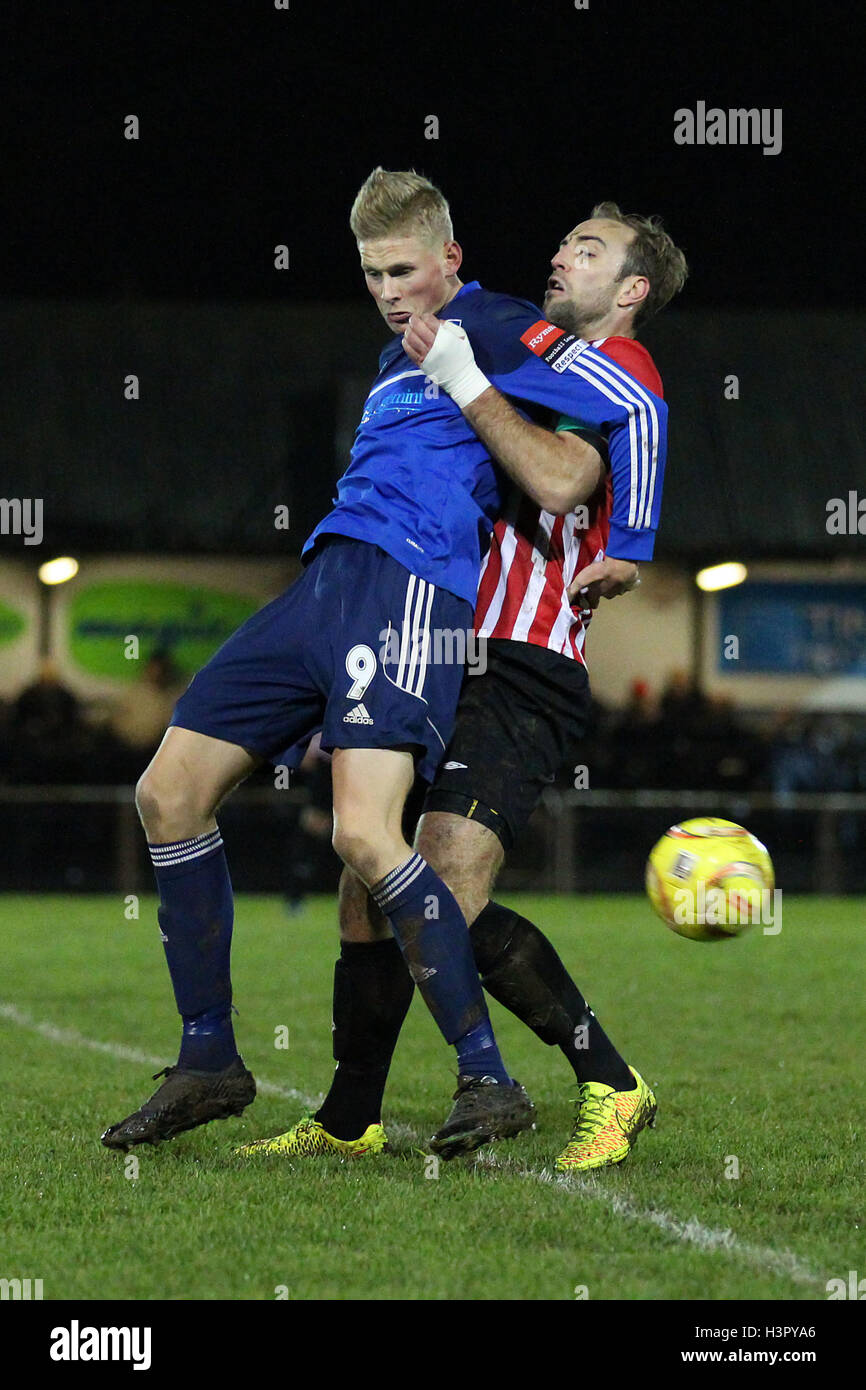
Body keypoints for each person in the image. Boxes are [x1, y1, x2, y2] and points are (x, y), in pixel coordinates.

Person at [101, 171, 649, 1157]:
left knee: (371, 839)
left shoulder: (495, 325)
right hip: (323, 577)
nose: (389, 290)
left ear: (451, 259)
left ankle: (498, 1076)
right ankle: (211, 1059)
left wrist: (636, 536)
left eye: (404, 268)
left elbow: (598, 442)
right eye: (370, 273)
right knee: (168, 790)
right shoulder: (396, 355)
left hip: (412, 590)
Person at [239, 201, 686, 1166]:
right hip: (436, 647)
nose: (562, 255)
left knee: (438, 886)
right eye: (564, 239)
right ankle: (349, 1121)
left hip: (519, 662)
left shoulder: (614, 369)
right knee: (371, 880)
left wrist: (633, 546)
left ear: (633, 291)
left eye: (592, 251)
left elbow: (622, 434)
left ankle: (611, 1081)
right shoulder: (532, 361)